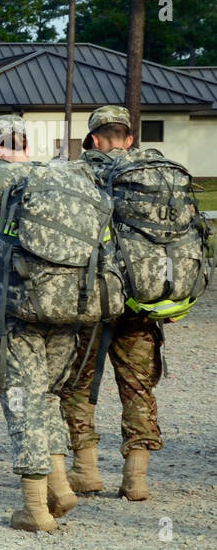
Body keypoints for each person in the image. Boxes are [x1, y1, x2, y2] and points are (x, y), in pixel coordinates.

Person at [0, 116, 97, 530]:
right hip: (70, 309)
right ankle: (61, 487)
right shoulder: (65, 179)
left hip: (16, 313)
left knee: (21, 402)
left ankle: (34, 509)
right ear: (27, 146)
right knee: (48, 396)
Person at [60, 106, 169, 500]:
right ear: (129, 139)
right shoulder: (152, 176)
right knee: (138, 389)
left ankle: (86, 470)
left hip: (92, 299)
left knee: (77, 386)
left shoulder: (76, 174)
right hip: (141, 301)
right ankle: (135, 479)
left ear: (91, 139)